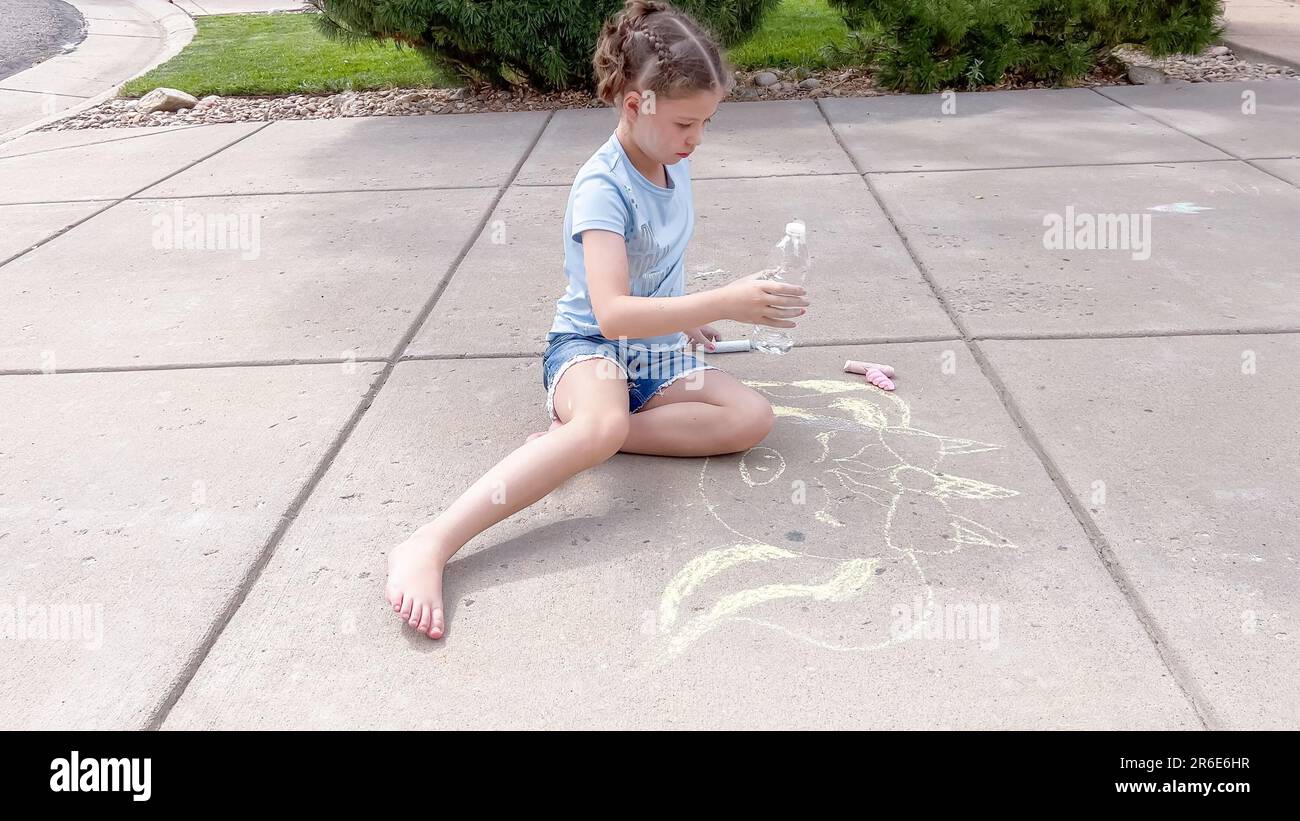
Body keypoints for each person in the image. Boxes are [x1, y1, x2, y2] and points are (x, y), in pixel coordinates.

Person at [385, 0, 812, 639]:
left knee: (752, 418)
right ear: (636, 103)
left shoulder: (672, 160)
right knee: (603, 417)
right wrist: (721, 301)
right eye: (686, 123)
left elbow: (656, 261)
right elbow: (610, 314)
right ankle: (431, 542)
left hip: (658, 351)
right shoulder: (601, 188)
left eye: (706, 123)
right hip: (589, 348)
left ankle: (590, 435)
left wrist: (685, 317)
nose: (696, 139)